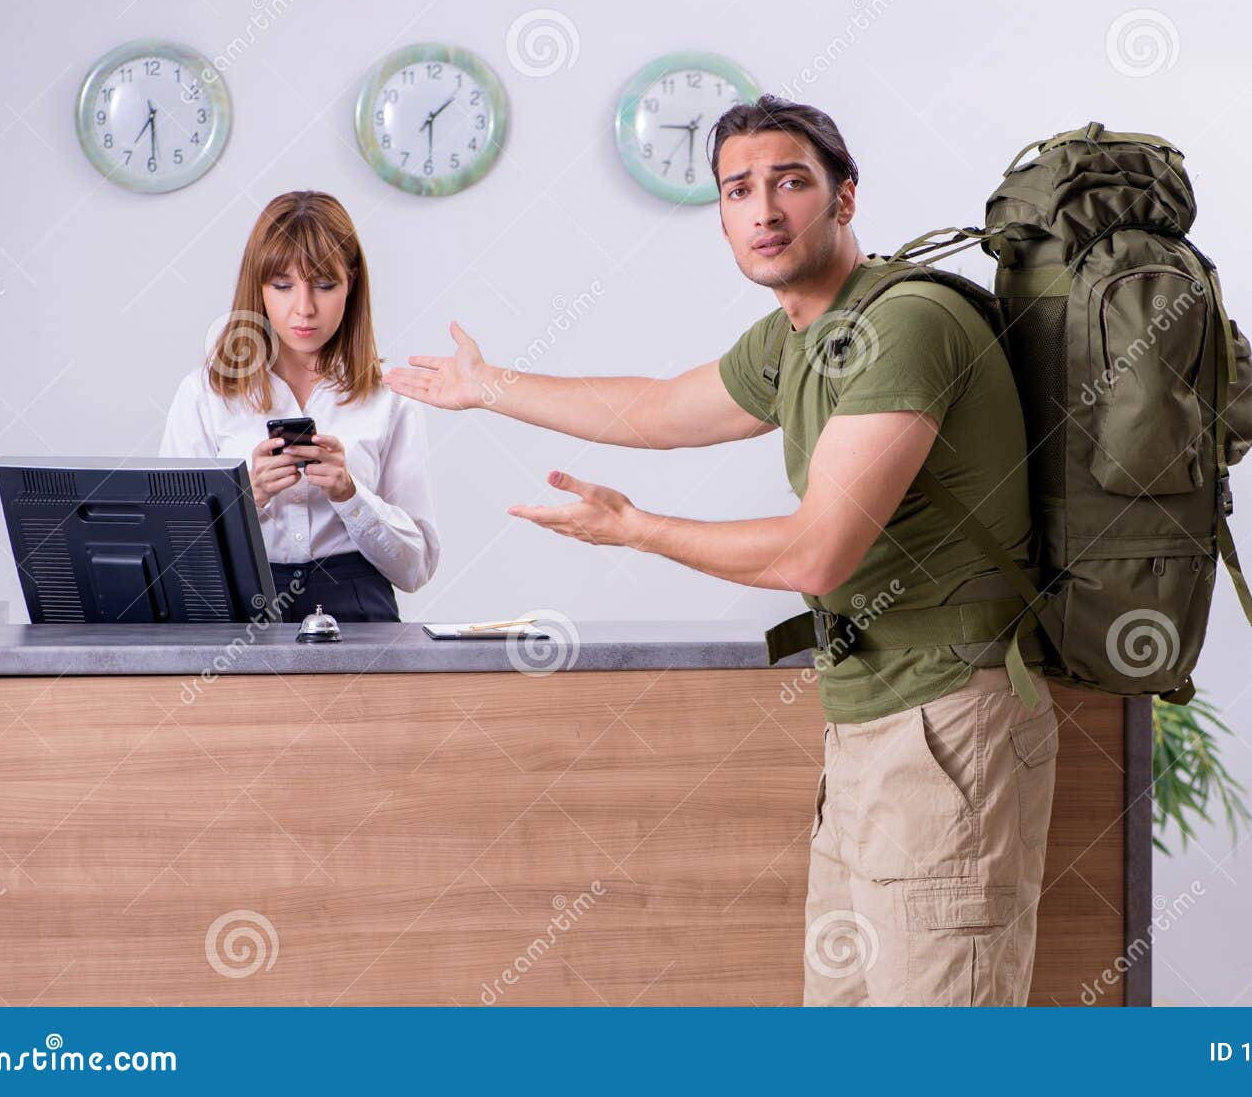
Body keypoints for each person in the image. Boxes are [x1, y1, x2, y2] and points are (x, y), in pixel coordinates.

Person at [384, 97, 1058, 1006]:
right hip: (870, 723)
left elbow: (815, 555)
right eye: (739, 190)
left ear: (844, 197)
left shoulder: (903, 326)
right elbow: (659, 409)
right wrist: (487, 386)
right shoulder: (799, 336)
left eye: (790, 182)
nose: (764, 210)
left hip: (945, 723)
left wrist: (639, 531)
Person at [161, 190, 440, 622]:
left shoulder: (390, 395)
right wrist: (247, 498)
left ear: (351, 284)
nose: (304, 309)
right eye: (283, 286)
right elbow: (174, 559)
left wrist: (350, 494)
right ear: (258, 287)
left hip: (357, 610)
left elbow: (415, 568)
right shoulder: (204, 393)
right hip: (240, 612)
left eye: (324, 285)